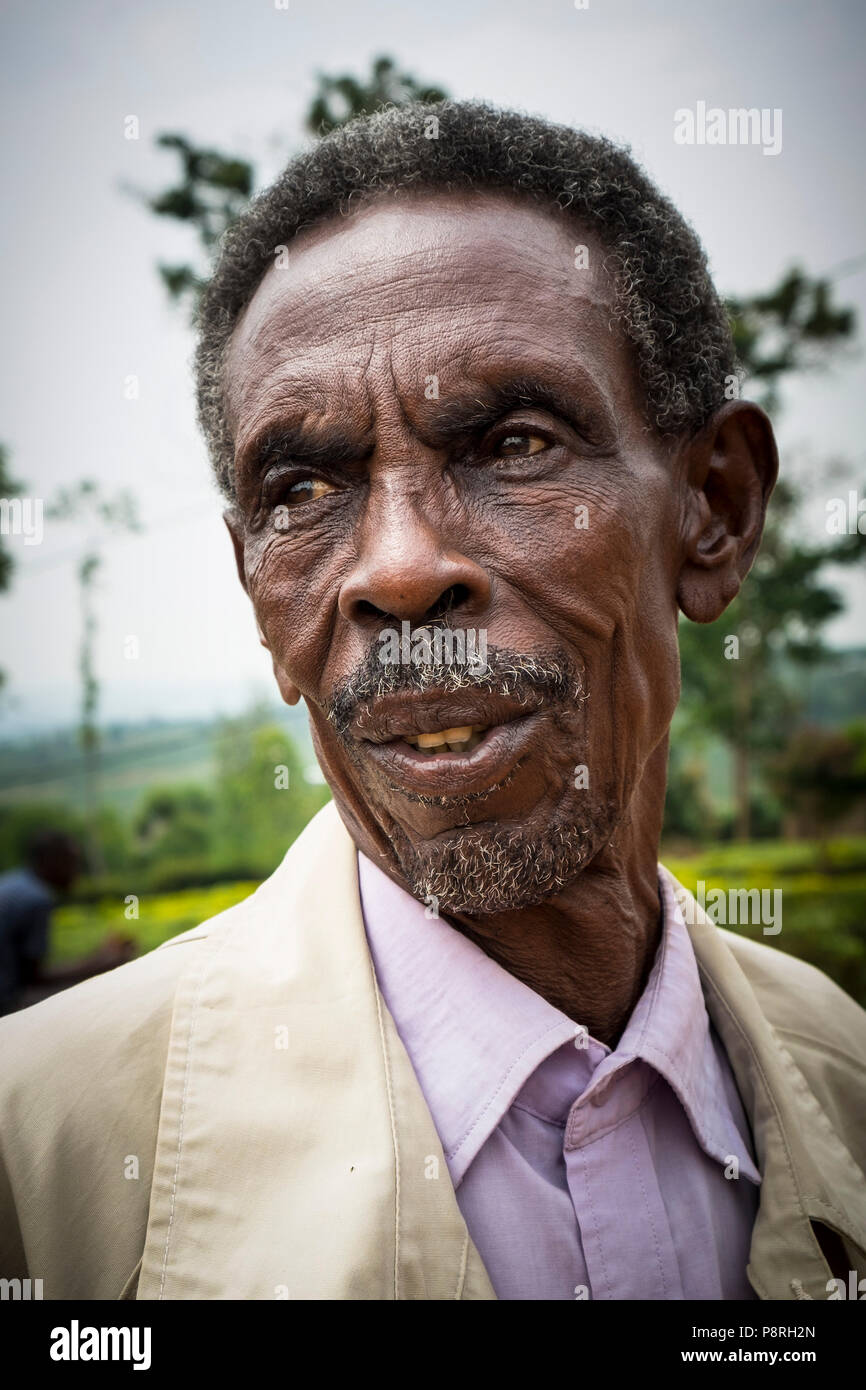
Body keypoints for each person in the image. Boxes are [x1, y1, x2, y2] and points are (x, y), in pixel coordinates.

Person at [1, 101, 864, 1302]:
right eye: (301, 487)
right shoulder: (39, 1157)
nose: (398, 569)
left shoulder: (844, 1075)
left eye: (512, 443)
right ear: (257, 593)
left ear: (709, 508)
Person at [0, 830, 133, 1016]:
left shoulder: (13, 884)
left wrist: (98, 959)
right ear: (51, 861)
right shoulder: (36, 899)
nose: (76, 871)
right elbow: (33, 979)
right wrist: (103, 963)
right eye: (71, 862)